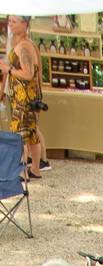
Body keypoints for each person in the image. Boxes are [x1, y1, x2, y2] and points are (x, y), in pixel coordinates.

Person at [1, 17, 42, 180]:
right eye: (9, 20)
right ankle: (35, 169)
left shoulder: (24, 46)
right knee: (32, 134)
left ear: (24, 24)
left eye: (14, 21)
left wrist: (9, 69)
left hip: (23, 98)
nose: (10, 23)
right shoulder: (25, 43)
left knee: (19, 135)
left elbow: (28, 73)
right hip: (29, 97)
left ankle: (22, 172)